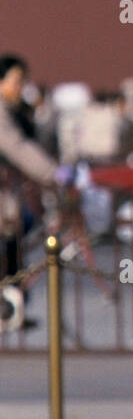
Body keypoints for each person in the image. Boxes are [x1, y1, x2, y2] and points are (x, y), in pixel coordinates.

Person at [0, 55, 73, 330]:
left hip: (11, 193)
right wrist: (53, 173)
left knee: (17, 238)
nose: (20, 88)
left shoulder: (17, 111)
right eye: (16, 81)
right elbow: (17, 148)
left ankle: (12, 304)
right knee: (11, 237)